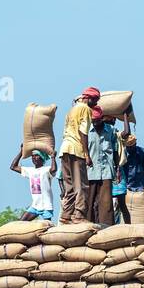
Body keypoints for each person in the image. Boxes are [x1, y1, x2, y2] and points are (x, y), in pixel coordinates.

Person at [57, 88, 96, 223]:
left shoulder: (71, 110)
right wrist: (87, 154)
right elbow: (83, 132)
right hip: (76, 149)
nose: (95, 104)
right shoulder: (85, 109)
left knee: (70, 186)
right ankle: (79, 215)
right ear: (89, 98)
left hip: (64, 148)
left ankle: (66, 215)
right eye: (95, 101)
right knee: (82, 185)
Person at [84, 105, 120, 226]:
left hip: (106, 170)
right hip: (90, 171)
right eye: (93, 121)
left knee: (106, 203)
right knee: (89, 202)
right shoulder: (87, 131)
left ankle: (107, 228)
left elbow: (115, 150)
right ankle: (89, 226)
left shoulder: (110, 130)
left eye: (97, 121)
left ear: (102, 119)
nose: (95, 123)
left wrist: (118, 168)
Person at [9, 144, 56, 221]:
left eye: (36, 155)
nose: (34, 158)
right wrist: (21, 152)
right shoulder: (30, 171)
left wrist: (53, 157)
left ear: (42, 157)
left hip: (46, 206)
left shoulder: (46, 170)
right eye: (32, 156)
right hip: (35, 205)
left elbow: (53, 170)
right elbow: (13, 167)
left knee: (47, 227)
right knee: (20, 223)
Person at [119, 134, 144, 224]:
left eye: (132, 146)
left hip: (140, 188)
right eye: (128, 147)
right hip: (126, 188)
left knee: (142, 215)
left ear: (135, 144)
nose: (130, 149)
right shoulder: (123, 154)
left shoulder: (143, 153)